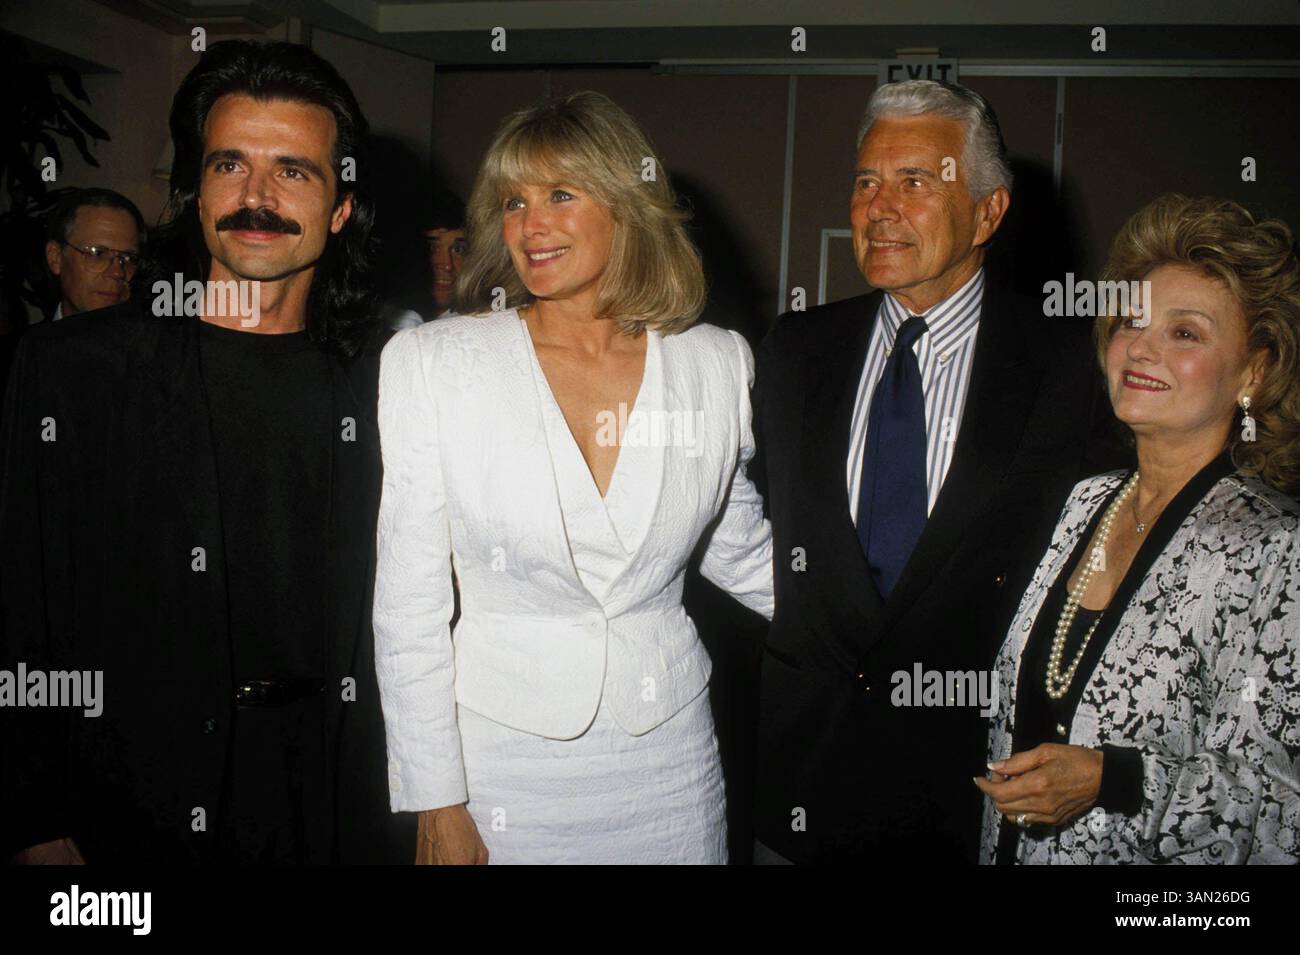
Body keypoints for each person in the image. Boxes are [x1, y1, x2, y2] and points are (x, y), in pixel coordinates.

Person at [0, 40, 411, 863]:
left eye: (293, 171)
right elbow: (21, 606)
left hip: (333, 801)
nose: (255, 196)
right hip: (127, 809)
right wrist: (36, 821)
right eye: (230, 165)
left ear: (340, 206)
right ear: (196, 192)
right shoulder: (75, 370)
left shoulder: (392, 383)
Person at [374, 90, 773, 864]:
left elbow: (739, 546)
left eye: (560, 194)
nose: (529, 224)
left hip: (669, 759)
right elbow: (408, 599)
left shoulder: (713, 361)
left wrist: (873, 636)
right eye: (513, 201)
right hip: (501, 762)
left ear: (628, 205)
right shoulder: (437, 364)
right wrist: (435, 796)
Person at [749, 79, 1107, 864]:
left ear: (989, 211)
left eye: (916, 181)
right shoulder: (792, 353)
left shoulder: (1070, 369)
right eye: (867, 181)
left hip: (974, 802)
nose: (880, 207)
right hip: (798, 792)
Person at [976, 194, 1300, 864]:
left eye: (1186, 333)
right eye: (1133, 321)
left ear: (1254, 370)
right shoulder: (1084, 502)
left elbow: (1277, 804)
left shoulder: (1277, 549)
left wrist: (1112, 778)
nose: (1141, 346)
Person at [42, 187, 145, 320]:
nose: (117, 272)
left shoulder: (158, 339)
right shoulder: (24, 340)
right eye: (98, 254)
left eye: (128, 258)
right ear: (55, 258)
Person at [386, 192, 467, 331]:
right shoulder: (375, 318)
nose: (447, 264)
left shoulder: (474, 327)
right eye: (432, 248)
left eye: (458, 249)